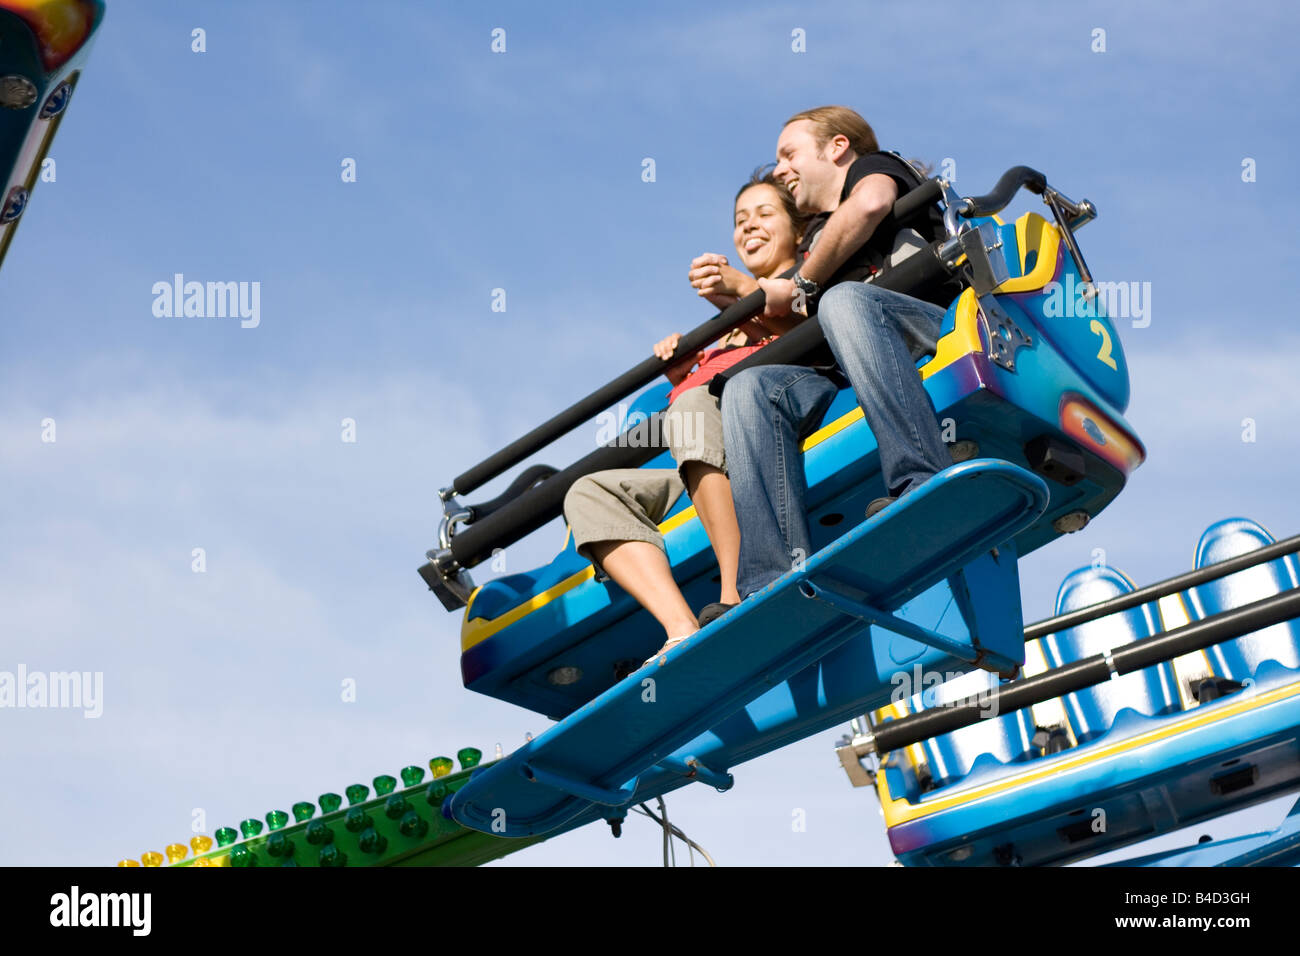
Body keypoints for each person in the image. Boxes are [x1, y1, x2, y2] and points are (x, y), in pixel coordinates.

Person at [563, 169, 810, 664]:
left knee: (693, 408)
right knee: (586, 492)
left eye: (764, 214)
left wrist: (746, 293)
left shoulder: (803, 286)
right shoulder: (722, 333)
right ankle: (681, 628)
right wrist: (683, 374)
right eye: (740, 219)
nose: (749, 225)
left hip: (765, 432)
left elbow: (810, 338)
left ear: (799, 231)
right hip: (703, 456)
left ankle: (736, 590)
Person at [722, 106, 960, 601]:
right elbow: (803, 329)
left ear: (837, 148)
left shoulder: (875, 168)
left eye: (789, 154)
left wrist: (802, 284)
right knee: (748, 388)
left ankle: (921, 479)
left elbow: (870, 205)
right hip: (851, 364)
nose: (781, 170)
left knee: (845, 299)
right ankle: (772, 578)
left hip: (934, 326)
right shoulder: (816, 239)